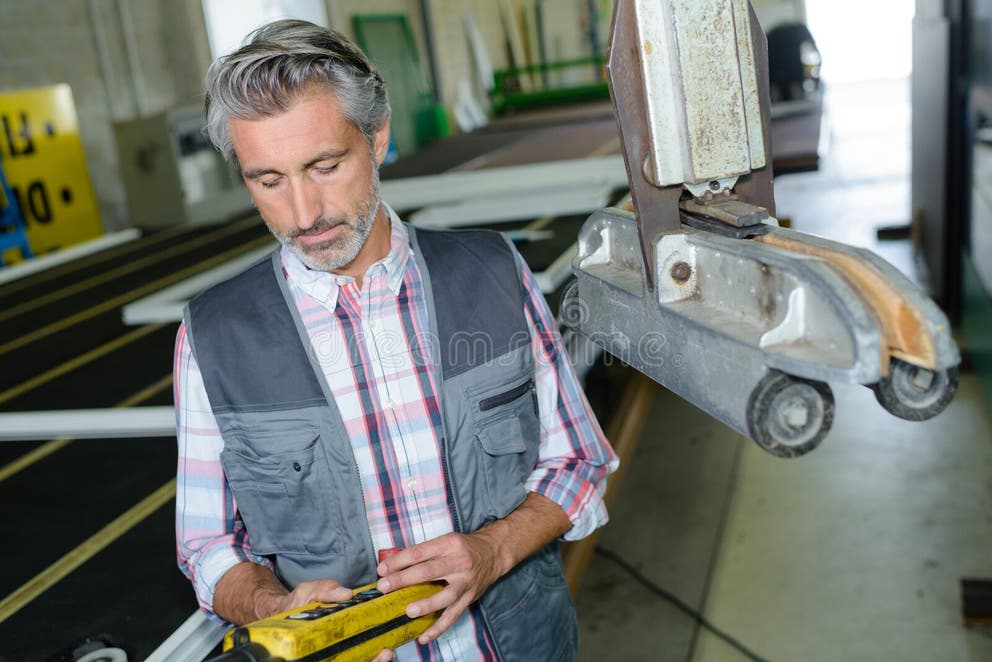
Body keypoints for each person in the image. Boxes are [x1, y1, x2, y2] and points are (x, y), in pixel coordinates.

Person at [174, 19, 617, 662]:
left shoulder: (492, 271)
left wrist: (493, 551)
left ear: (377, 137)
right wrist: (273, 607)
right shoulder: (213, 337)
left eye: (325, 167)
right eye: (268, 181)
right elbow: (208, 544)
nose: (303, 214)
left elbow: (576, 460)